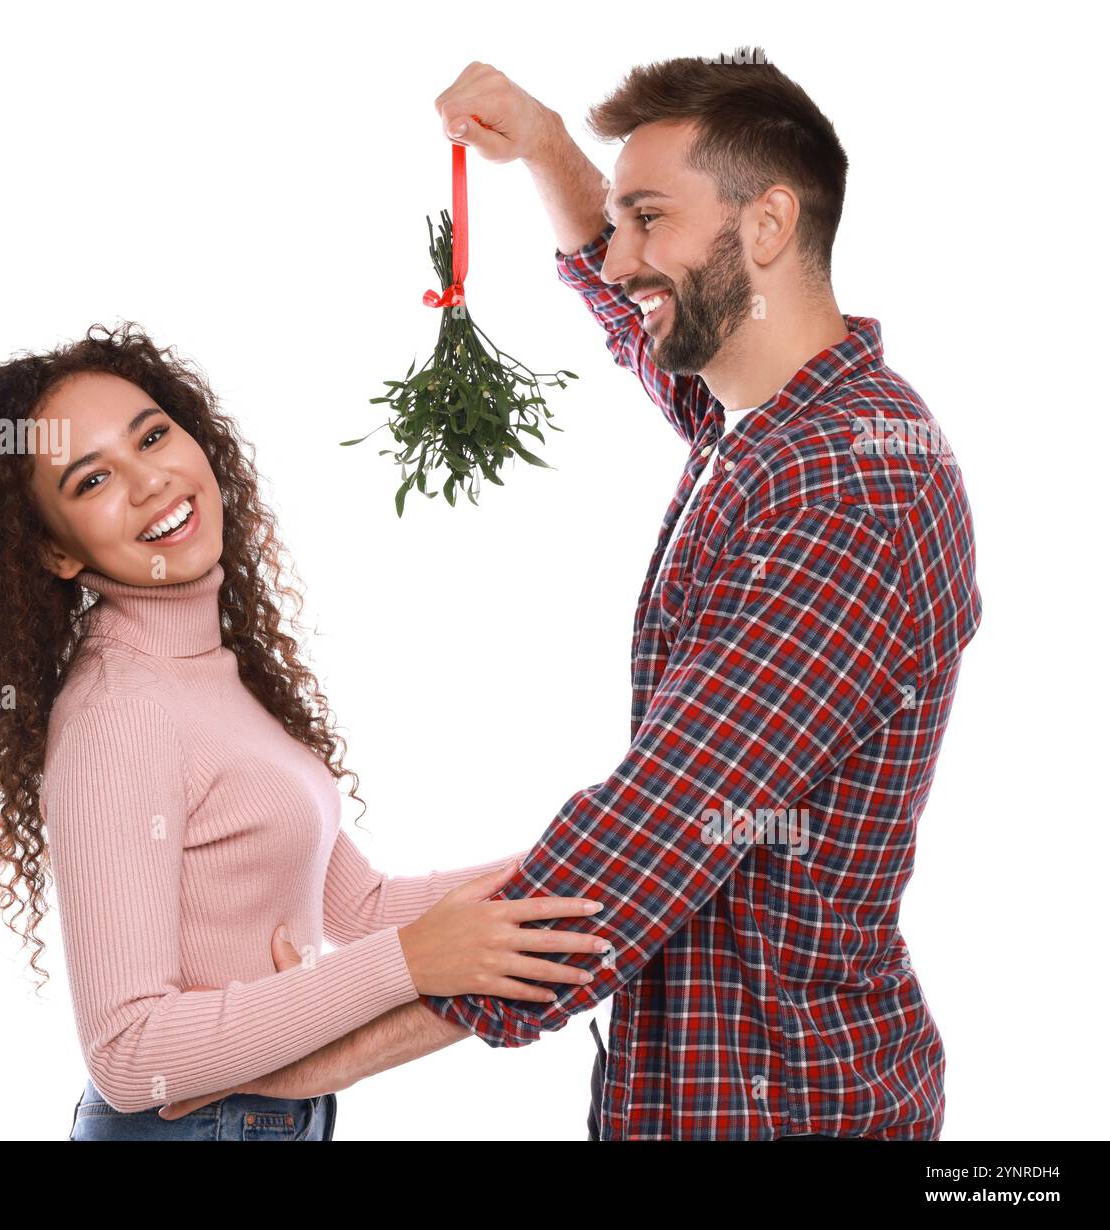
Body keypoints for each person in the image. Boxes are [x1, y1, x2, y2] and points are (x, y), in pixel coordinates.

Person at [161, 50, 982, 1141]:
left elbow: (636, 852)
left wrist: (286, 1063)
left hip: (777, 1110)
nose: (625, 252)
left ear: (769, 225)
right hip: (689, 1085)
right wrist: (546, 149)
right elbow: (645, 321)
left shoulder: (851, 494)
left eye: (650, 217)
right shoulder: (769, 430)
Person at [0, 327, 607, 1141]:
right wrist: (409, 963)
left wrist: (585, 862)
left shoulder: (212, 670)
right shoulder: (120, 710)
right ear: (54, 550)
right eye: (94, 478)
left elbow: (358, 906)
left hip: (262, 1119)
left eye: (152, 435)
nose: (150, 481)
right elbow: (131, 1054)